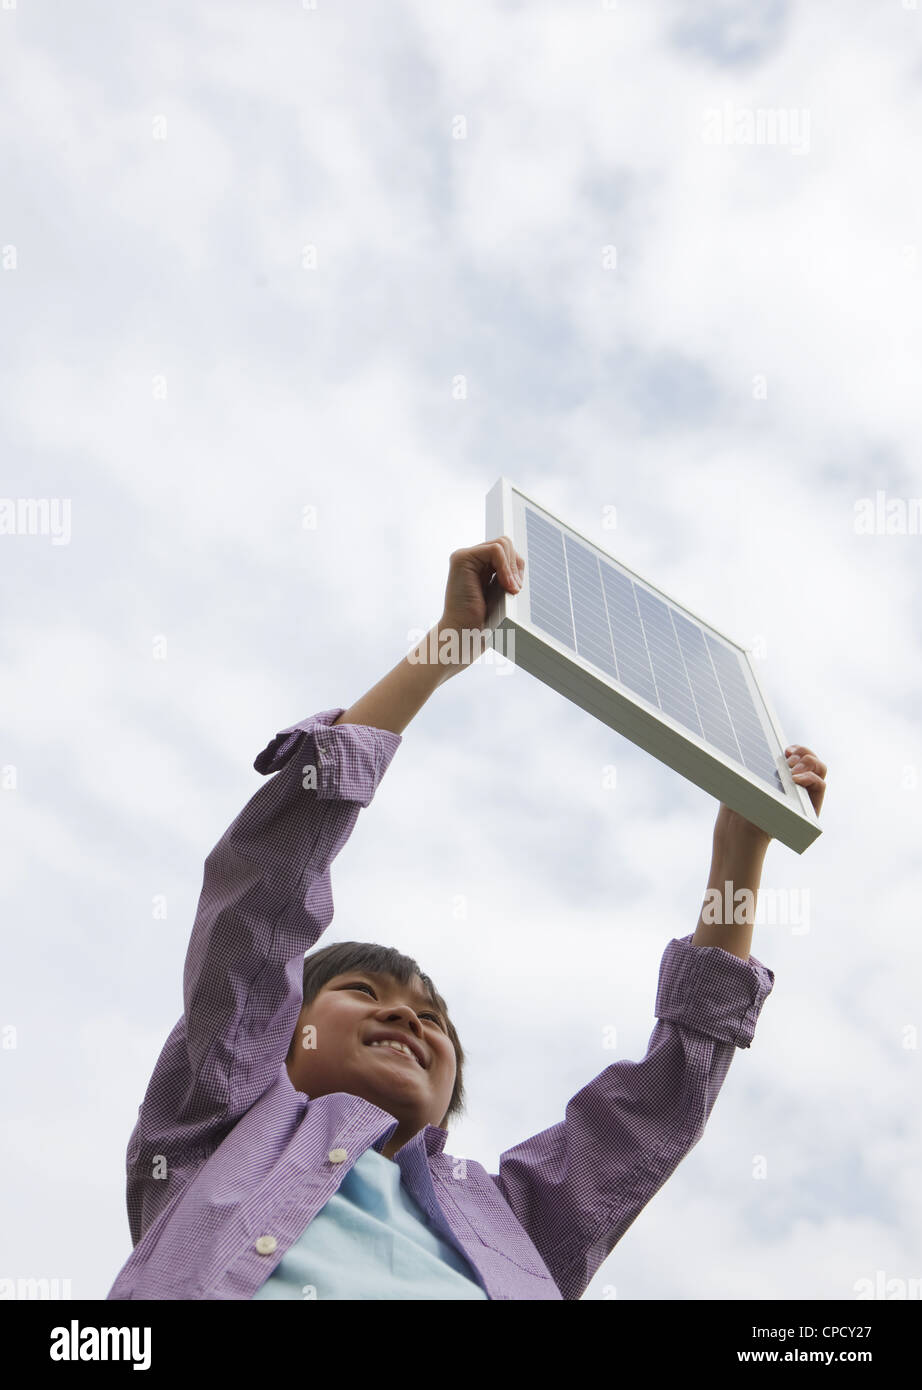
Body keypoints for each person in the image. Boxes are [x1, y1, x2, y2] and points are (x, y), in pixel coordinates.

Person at [106, 536, 827, 1300]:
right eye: (361, 990)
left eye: (433, 1018)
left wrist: (740, 850)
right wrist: (445, 647)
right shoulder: (219, 1118)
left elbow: (657, 1106)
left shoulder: (514, 1224)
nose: (408, 1018)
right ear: (279, 1030)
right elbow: (264, 887)